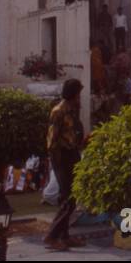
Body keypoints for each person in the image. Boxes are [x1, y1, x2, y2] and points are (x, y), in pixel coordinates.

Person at [43, 79, 87, 251]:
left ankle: (64, 236)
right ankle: (52, 236)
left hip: (72, 154)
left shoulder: (72, 110)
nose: (79, 97)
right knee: (68, 198)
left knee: (70, 197)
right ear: (73, 93)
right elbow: (52, 139)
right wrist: (57, 161)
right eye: (78, 93)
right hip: (62, 156)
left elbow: (73, 134)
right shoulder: (58, 111)